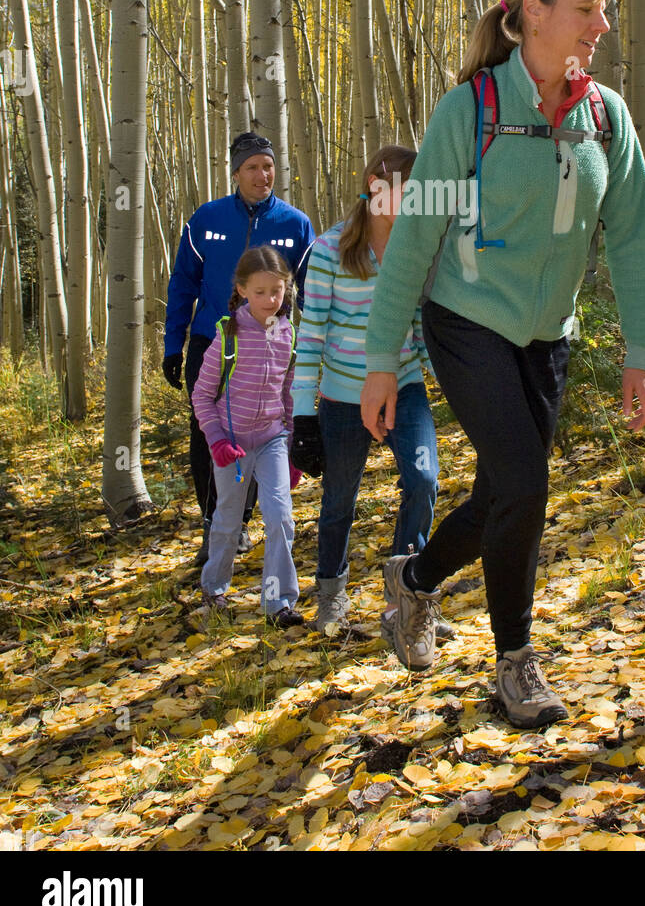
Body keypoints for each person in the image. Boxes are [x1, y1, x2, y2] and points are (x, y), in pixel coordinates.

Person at [361, 0, 645, 730]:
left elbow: (633, 238)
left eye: (603, 10)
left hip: (547, 336)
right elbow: (416, 236)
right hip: (466, 321)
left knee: (503, 490)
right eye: (586, 9)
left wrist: (641, 354)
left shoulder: (604, 116)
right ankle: (515, 662)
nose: (600, 26)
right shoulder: (469, 110)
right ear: (532, 11)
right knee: (526, 481)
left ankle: (416, 577)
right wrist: (380, 362)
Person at [290, 146, 443, 638]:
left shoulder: (415, 248)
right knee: (338, 501)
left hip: (405, 385)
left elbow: (419, 325)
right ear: (377, 187)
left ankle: (408, 598)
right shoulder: (331, 250)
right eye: (409, 189)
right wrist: (303, 416)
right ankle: (331, 599)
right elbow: (310, 336)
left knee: (423, 481)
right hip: (342, 396)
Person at [163, 132, 314, 563]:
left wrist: (321, 347)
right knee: (207, 432)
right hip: (213, 343)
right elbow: (183, 284)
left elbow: (314, 292)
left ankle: (241, 521)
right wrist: (175, 345)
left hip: (269, 349)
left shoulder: (295, 224)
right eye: (252, 167)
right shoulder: (206, 220)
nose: (262, 175)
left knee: (263, 432)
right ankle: (214, 522)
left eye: (268, 166)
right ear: (236, 172)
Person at [192, 246, 301, 624]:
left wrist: (292, 448)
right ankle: (214, 591)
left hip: (272, 440)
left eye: (278, 290)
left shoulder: (289, 334)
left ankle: (278, 602)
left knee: (280, 517)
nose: (271, 300)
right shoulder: (228, 336)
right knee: (228, 519)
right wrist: (217, 440)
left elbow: (289, 394)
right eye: (260, 292)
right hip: (231, 445)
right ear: (241, 290)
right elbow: (202, 396)